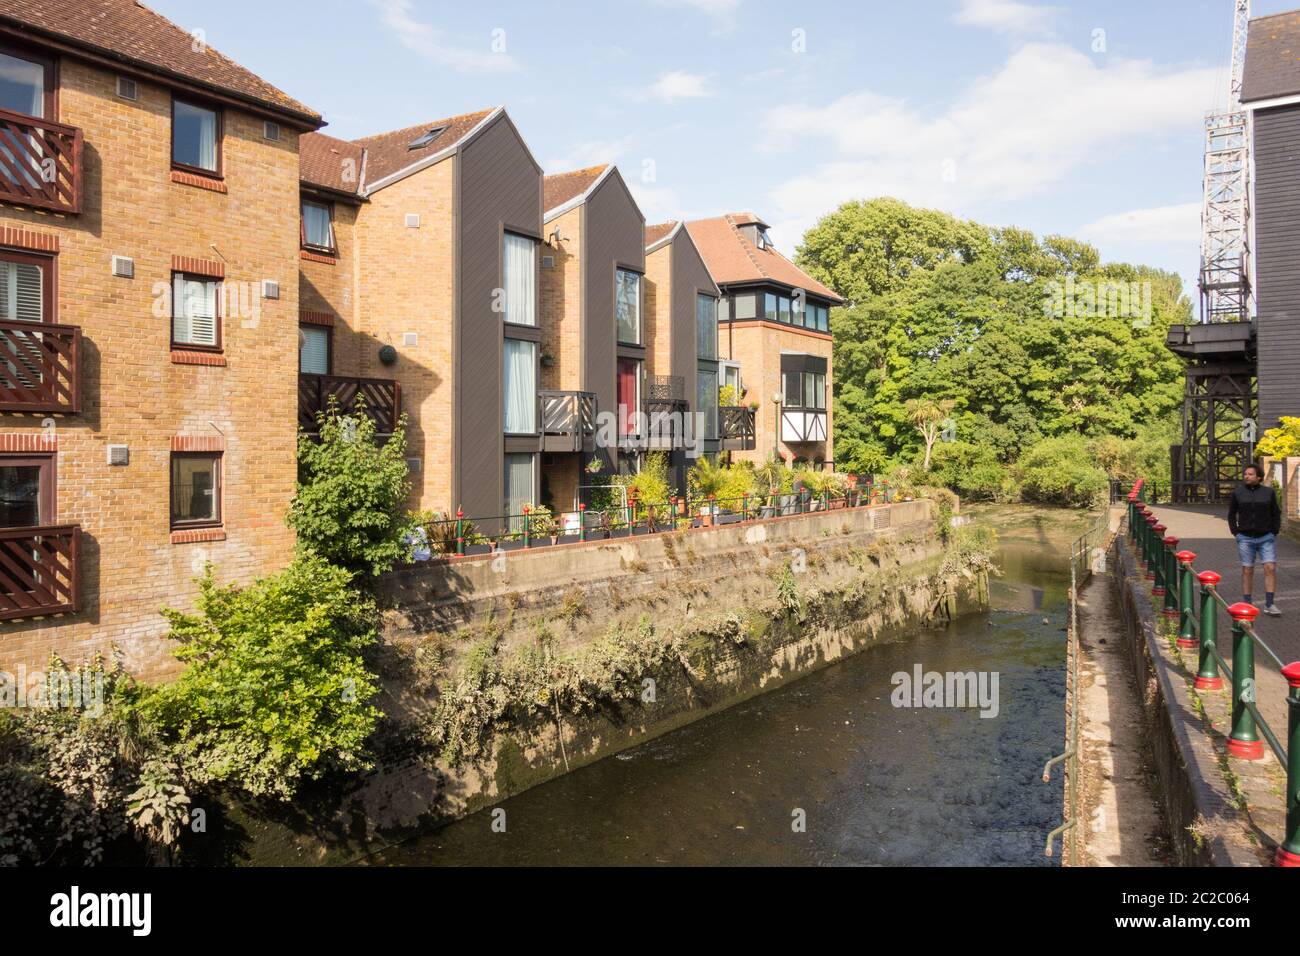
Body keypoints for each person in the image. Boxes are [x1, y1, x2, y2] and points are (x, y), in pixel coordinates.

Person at [1228, 463, 1283, 616]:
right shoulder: (1238, 493)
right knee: (1247, 570)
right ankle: (1247, 603)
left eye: (1250, 474)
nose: (1247, 476)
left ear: (1259, 477)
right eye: (1245, 474)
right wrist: (1236, 532)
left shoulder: (1268, 493)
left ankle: (1270, 604)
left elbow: (1276, 513)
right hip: (1245, 538)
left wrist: (1274, 531)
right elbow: (1231, 514)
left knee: (1270, 568)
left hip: (1266, 537)